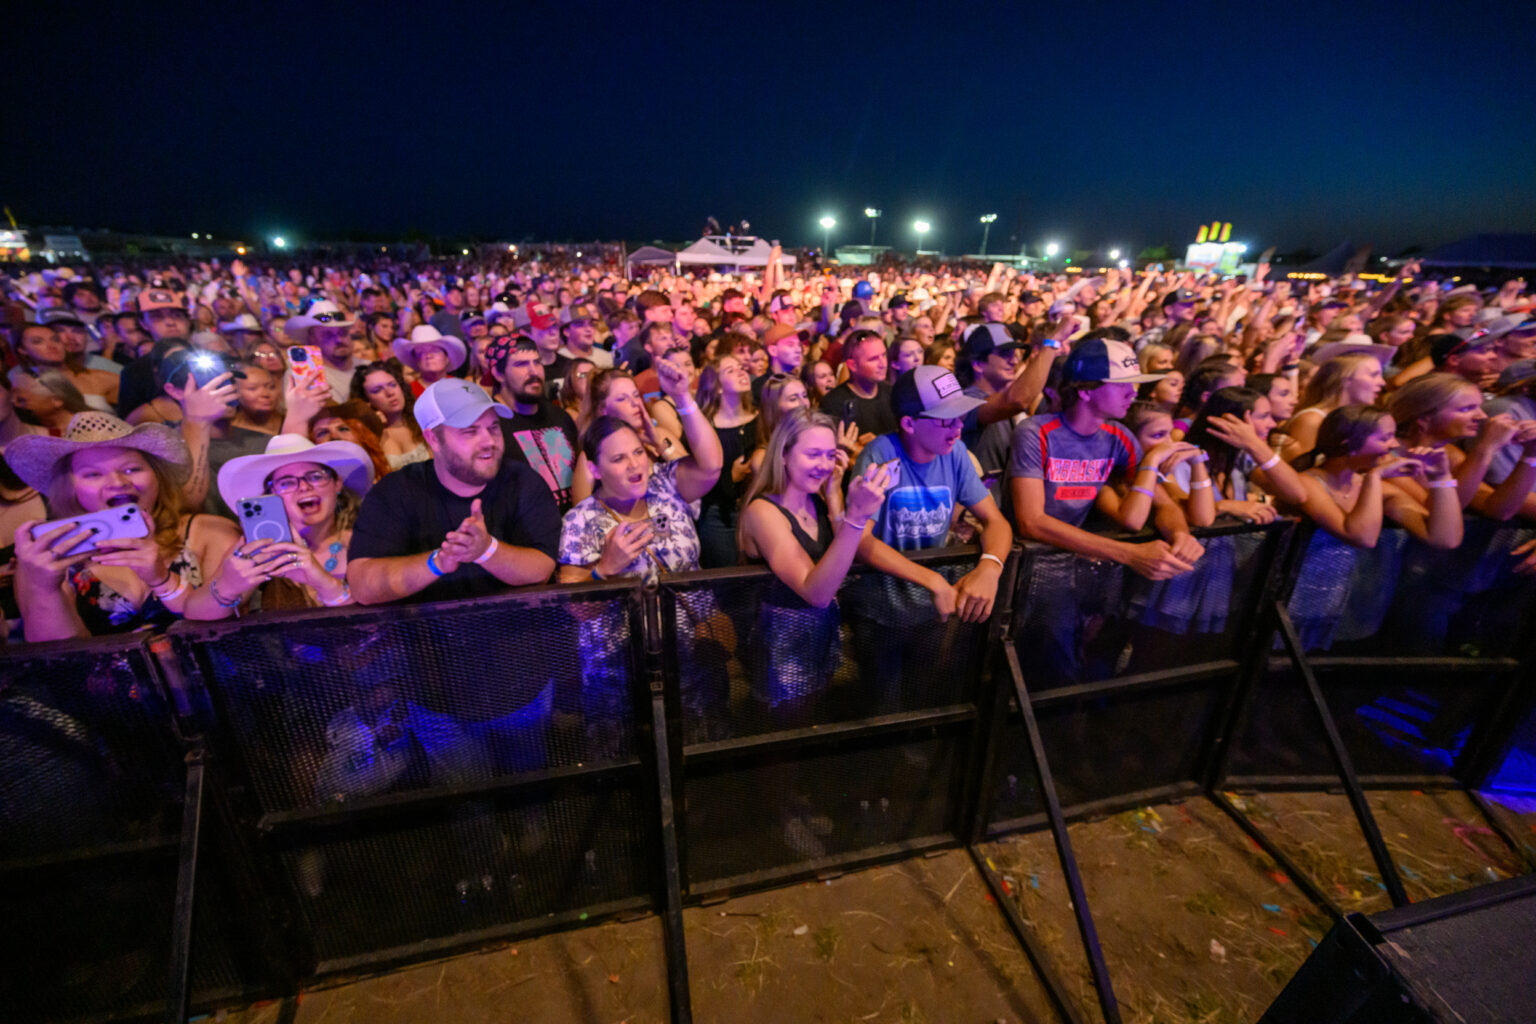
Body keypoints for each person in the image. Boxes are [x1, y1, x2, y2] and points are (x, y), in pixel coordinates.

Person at [736, 410, 894, 857]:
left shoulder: (816, 498)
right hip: (781, 638)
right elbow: (816, 589)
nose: (824, 463)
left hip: (819, 636)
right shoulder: (764, 511)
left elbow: (846, 555)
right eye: (812, 454)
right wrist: (858, 517)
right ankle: (776, 817)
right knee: (781, 739)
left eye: (830, 454)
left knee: (803, 729)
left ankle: (791, 801)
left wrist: (836, 499)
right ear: (783, 454)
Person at [9, 413, 242, 641]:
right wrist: (45, 588)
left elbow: (230, 636)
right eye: (93, 474)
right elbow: (60, 661)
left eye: (132, 469)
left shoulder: (212, 533)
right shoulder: (46, 556)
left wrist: (161, 578)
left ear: (157, 476)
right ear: (70, 489)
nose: (119, 483)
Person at [347, 379, 561, 604]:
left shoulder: (523, 480)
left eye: (493, 427)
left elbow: (542, 568)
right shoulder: (395, 492)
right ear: (433, 440)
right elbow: (363, 587)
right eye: (470, 431)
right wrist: (437, 563)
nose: (489, 441)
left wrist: (487, 550)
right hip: (429, 637)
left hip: (517, 634)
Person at [213, 434, 374, 611]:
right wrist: (227, 588)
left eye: (315, 477)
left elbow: (384, 623)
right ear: (270, 495)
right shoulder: (257, 549)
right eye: (286, 483)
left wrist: (325, 583)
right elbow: (195, 610)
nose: (304, 487)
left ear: (337, 484)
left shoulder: (367, 542)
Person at [1386, 373, 1536, 521]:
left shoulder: (1449, 453)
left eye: (1479, 407)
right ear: (1425, 418)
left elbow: (1498, 509)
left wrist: (1531, 455)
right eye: (1466, 409)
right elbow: (1438, 515)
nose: (1482, 416)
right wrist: (1486, 448)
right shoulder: (1386, 457)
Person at [569, 369, 684, 504]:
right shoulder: (592, 454)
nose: (635, 403)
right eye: (622, 399)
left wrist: (659, 443)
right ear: (603, 410)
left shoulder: (661, 434)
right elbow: (580, 514)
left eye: (636, 395)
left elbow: (696, 478)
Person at [491, 339, 579, 511]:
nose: (533, 371)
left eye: (537, 362)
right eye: (521, 364)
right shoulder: (490, 426)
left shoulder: (560, 417)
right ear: (498, 373)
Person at [694, 353, 758, 567]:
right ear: (717, 386)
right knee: (730, 588)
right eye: (731, 370)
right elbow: (694, 482)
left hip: (759, 512)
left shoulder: (761, 419)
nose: (742, 371)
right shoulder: (704, 429)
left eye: (741, 366)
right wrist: (729, 477)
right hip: (720, 517)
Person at [1277, 351, 1385, 461]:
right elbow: (1301, 472)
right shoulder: (1313, 420)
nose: (1382, 382)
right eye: (1373, 375)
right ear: (1345, 380)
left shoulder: (1356, 420)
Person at [820, 330, 898, 449]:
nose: (882, 364)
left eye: (884, 355)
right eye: (873, 359)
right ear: (852, 365)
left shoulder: (893, 393)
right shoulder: (833, 404)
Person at [352, 361, 431, 469]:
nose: (390, 393)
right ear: (366, 401)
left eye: (392, 385)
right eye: (377, 390)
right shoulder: (367, 435)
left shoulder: (423, 421)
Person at [282, 301, 359, 401]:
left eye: (342, 332)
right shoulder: (302, 377)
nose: (338, 340)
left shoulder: (367, 366)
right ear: (312, 339)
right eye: (328, 335)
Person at [392, 323, 468, 396]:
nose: (429, 355)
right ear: (416, 360)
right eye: (421, 352)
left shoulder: (461, 387)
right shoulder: (409, 392)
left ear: (447, 358)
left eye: (435, 350)